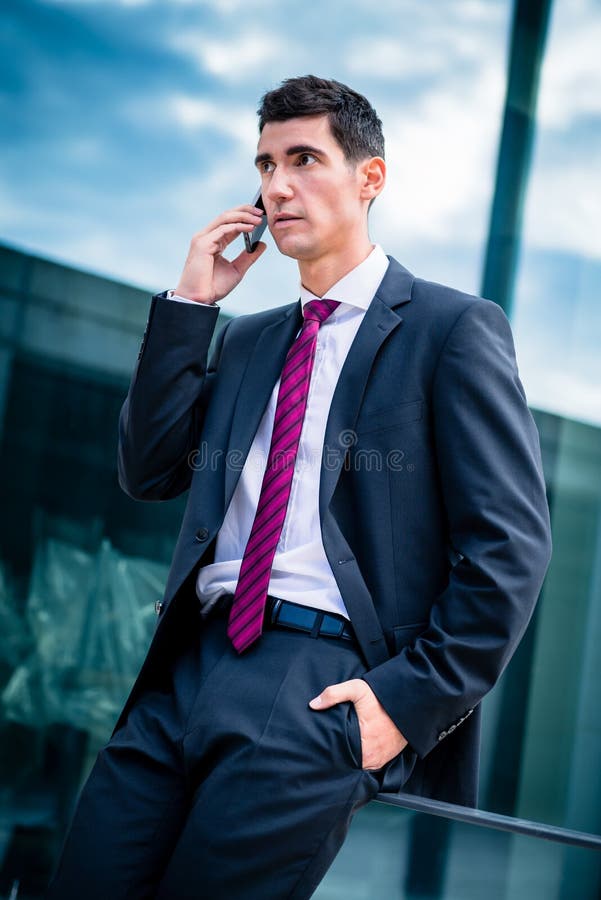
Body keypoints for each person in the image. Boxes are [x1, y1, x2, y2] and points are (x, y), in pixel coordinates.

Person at [47, 75, 552, 899]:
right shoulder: (247, 341)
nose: (277, 186)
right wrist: (190, 306)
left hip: (316, 686)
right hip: (186, 668)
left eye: (304, 159)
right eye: (265, 164)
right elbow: (148, 472)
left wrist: (403, 704)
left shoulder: (449, 329)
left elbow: (510, 547)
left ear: (369, 178)